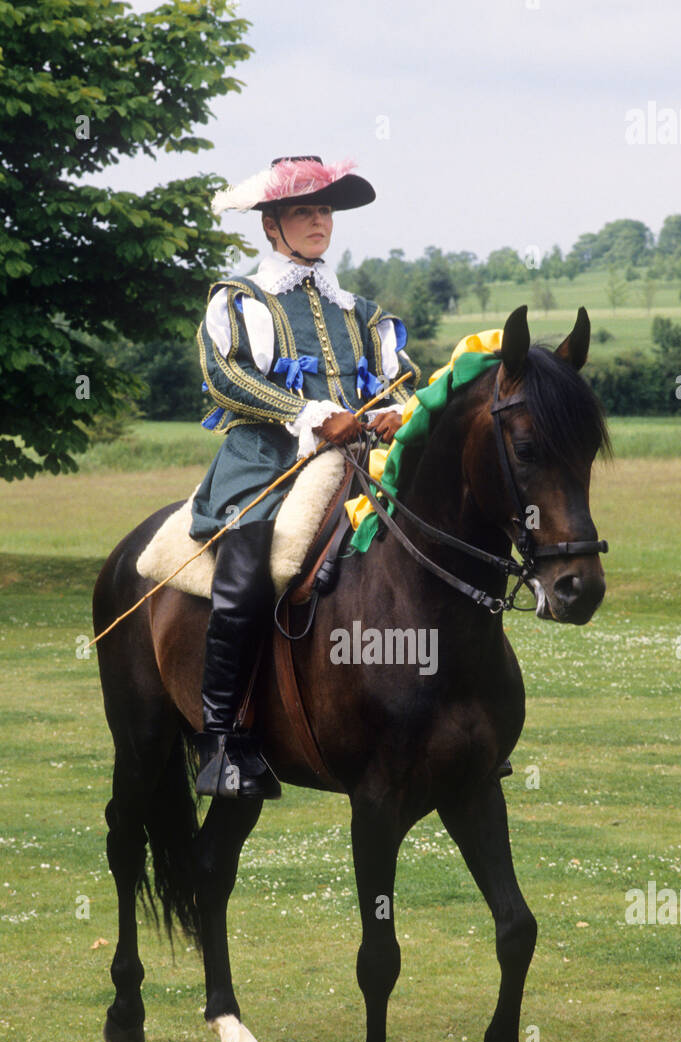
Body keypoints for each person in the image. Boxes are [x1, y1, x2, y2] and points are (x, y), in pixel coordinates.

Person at [192, 156, 420, 799]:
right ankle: (222, 742)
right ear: (272, 227)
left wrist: (394, 412)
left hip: (361, 465)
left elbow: (403, 377)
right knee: (247, 576)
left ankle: (448, 718)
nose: (319, 221)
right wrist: (314, 416)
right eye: (303, 211)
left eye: (325, 210)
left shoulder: (363, 311)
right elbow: (226, 377)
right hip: (266, 465)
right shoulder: (240, 301)